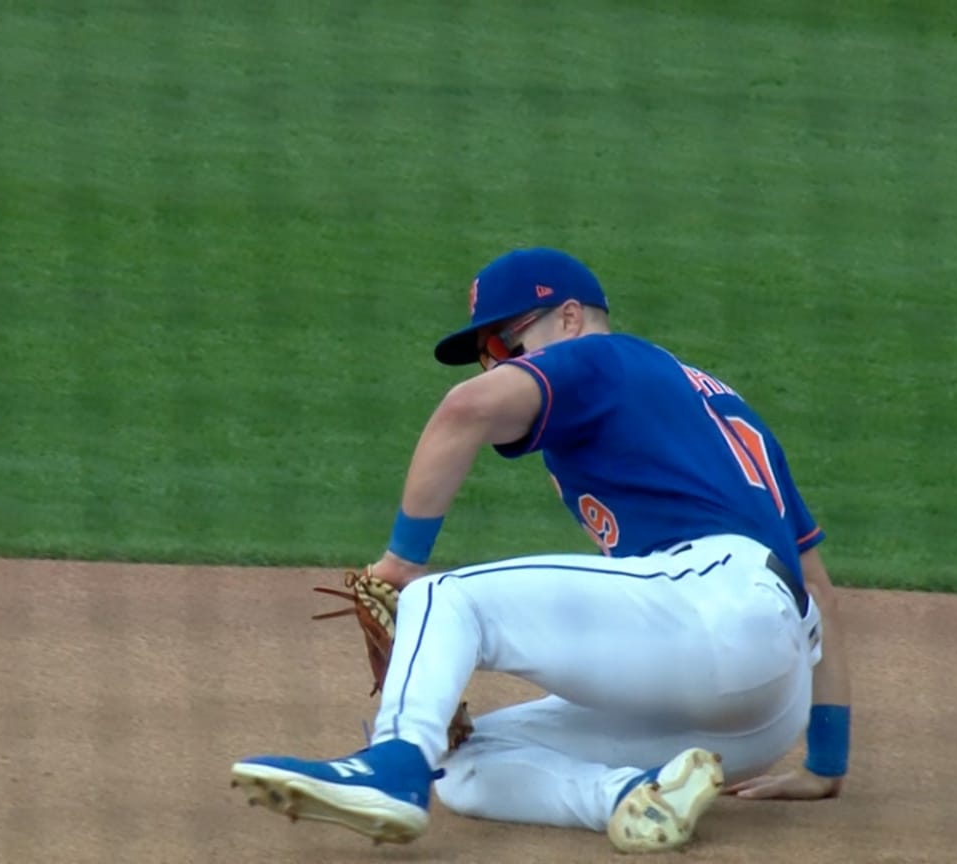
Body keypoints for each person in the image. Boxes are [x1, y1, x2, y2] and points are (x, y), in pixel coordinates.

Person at [230, 247, 852, 854]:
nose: (495, 368)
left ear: (570, 318)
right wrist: (825, 762)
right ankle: (630, 796)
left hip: (716, 603)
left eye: (504, 346)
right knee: (461, 763)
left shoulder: (601, 357)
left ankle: (390, 767)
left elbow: (463, 410)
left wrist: (400, 565)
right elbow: (820, 590)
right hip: (763, 712)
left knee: (443, 598)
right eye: (485, 358)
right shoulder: (718, 408)